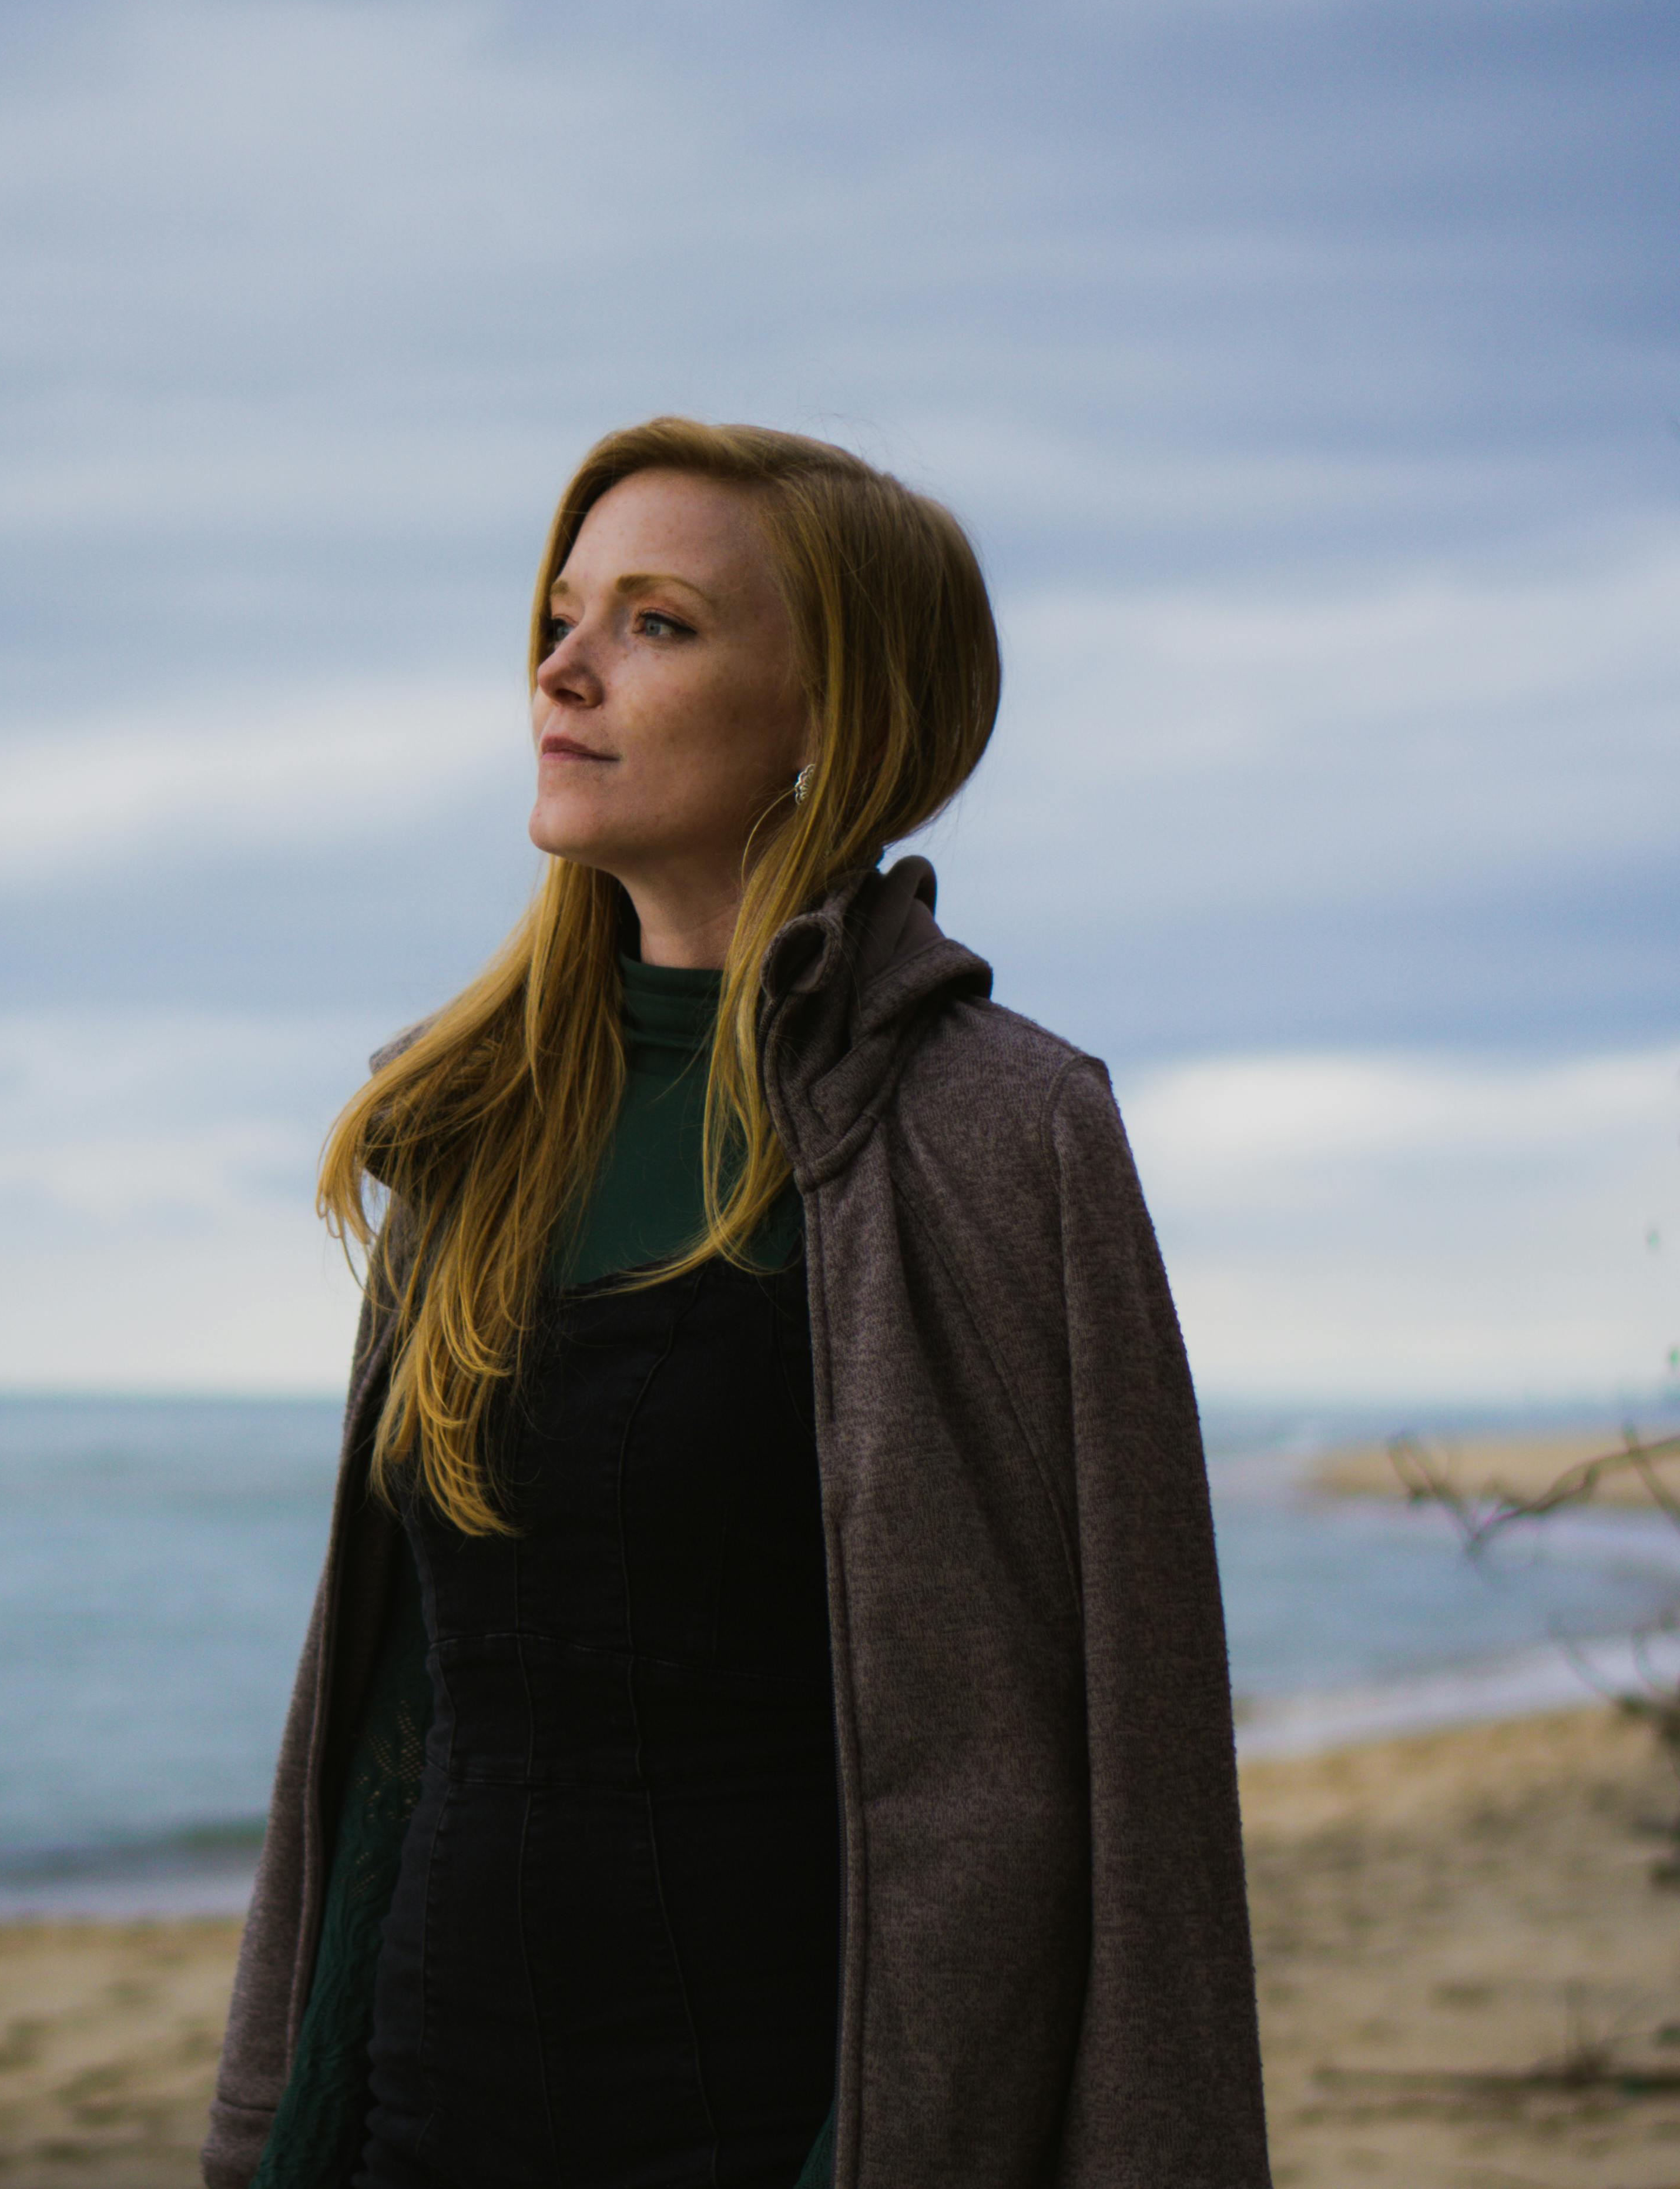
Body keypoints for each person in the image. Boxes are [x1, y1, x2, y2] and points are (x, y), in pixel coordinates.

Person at [202, 418, 1270, 2189]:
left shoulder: (1000, 1136)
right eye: (560, 617)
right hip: (425, 2112)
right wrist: (286, 2127)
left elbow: (1134, 1773)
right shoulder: (470, 1127)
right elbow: (396, 1713)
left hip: (801, 2127)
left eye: (658, 623)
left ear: (829, 713)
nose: (563, 666)